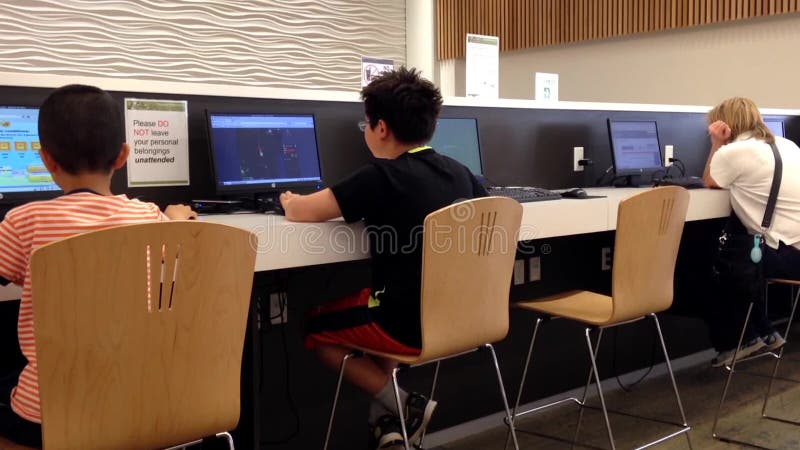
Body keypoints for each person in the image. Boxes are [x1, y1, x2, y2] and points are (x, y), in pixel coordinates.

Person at [279, 67, 487, 449]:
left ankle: (403, 404)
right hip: (462, 317)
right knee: (381, 297)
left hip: (405, 324)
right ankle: (386, 425)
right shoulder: (463, 175)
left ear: (381, 128)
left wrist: (288, 199)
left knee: (314, 327)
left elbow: (303, 212)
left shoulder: (380, 176)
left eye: (366, 123)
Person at [0, 84, 196, 448]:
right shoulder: (148, 217)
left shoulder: (24, 222)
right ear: (123, 156)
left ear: (46, 160)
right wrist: (175, 218)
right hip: (136, 405)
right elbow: (175, 249)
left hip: (46, 419)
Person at [702, 96, 800, 367]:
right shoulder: (788, 145)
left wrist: (717, 143)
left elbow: (710, 180)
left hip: (784, 257)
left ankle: (741, 340)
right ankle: (764, 331)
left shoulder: (733, 152)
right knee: (738, 250)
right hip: (795, 252)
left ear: (725, 125)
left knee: (712, 265)